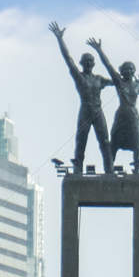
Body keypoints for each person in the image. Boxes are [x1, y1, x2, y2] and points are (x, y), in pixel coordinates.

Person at [49, 21, 112, 173]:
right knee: (81, 141)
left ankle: (109, 170)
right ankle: (78, 168)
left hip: (98, 112)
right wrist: (60, 39)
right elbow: (68, 59)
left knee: (105, 141)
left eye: (91, 61)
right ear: (82, 63)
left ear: (94, 64)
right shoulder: (79, 77)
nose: (88, 63)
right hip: (85, 111)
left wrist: (100, 51)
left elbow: (117, 81)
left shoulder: (99, 79)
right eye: (86, 61)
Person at [90, 39, 139, 172]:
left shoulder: (138, 86)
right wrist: (99, 50)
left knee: (137, 143)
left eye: (131, 69)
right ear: (122, 72)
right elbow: (108, 66)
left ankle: (137, 167)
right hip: (121, 115)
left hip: (133, 116)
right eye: (126, 69)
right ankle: (109, 169)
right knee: (114, 143)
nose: (128, 71)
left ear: (133, 71)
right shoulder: (119, 82)